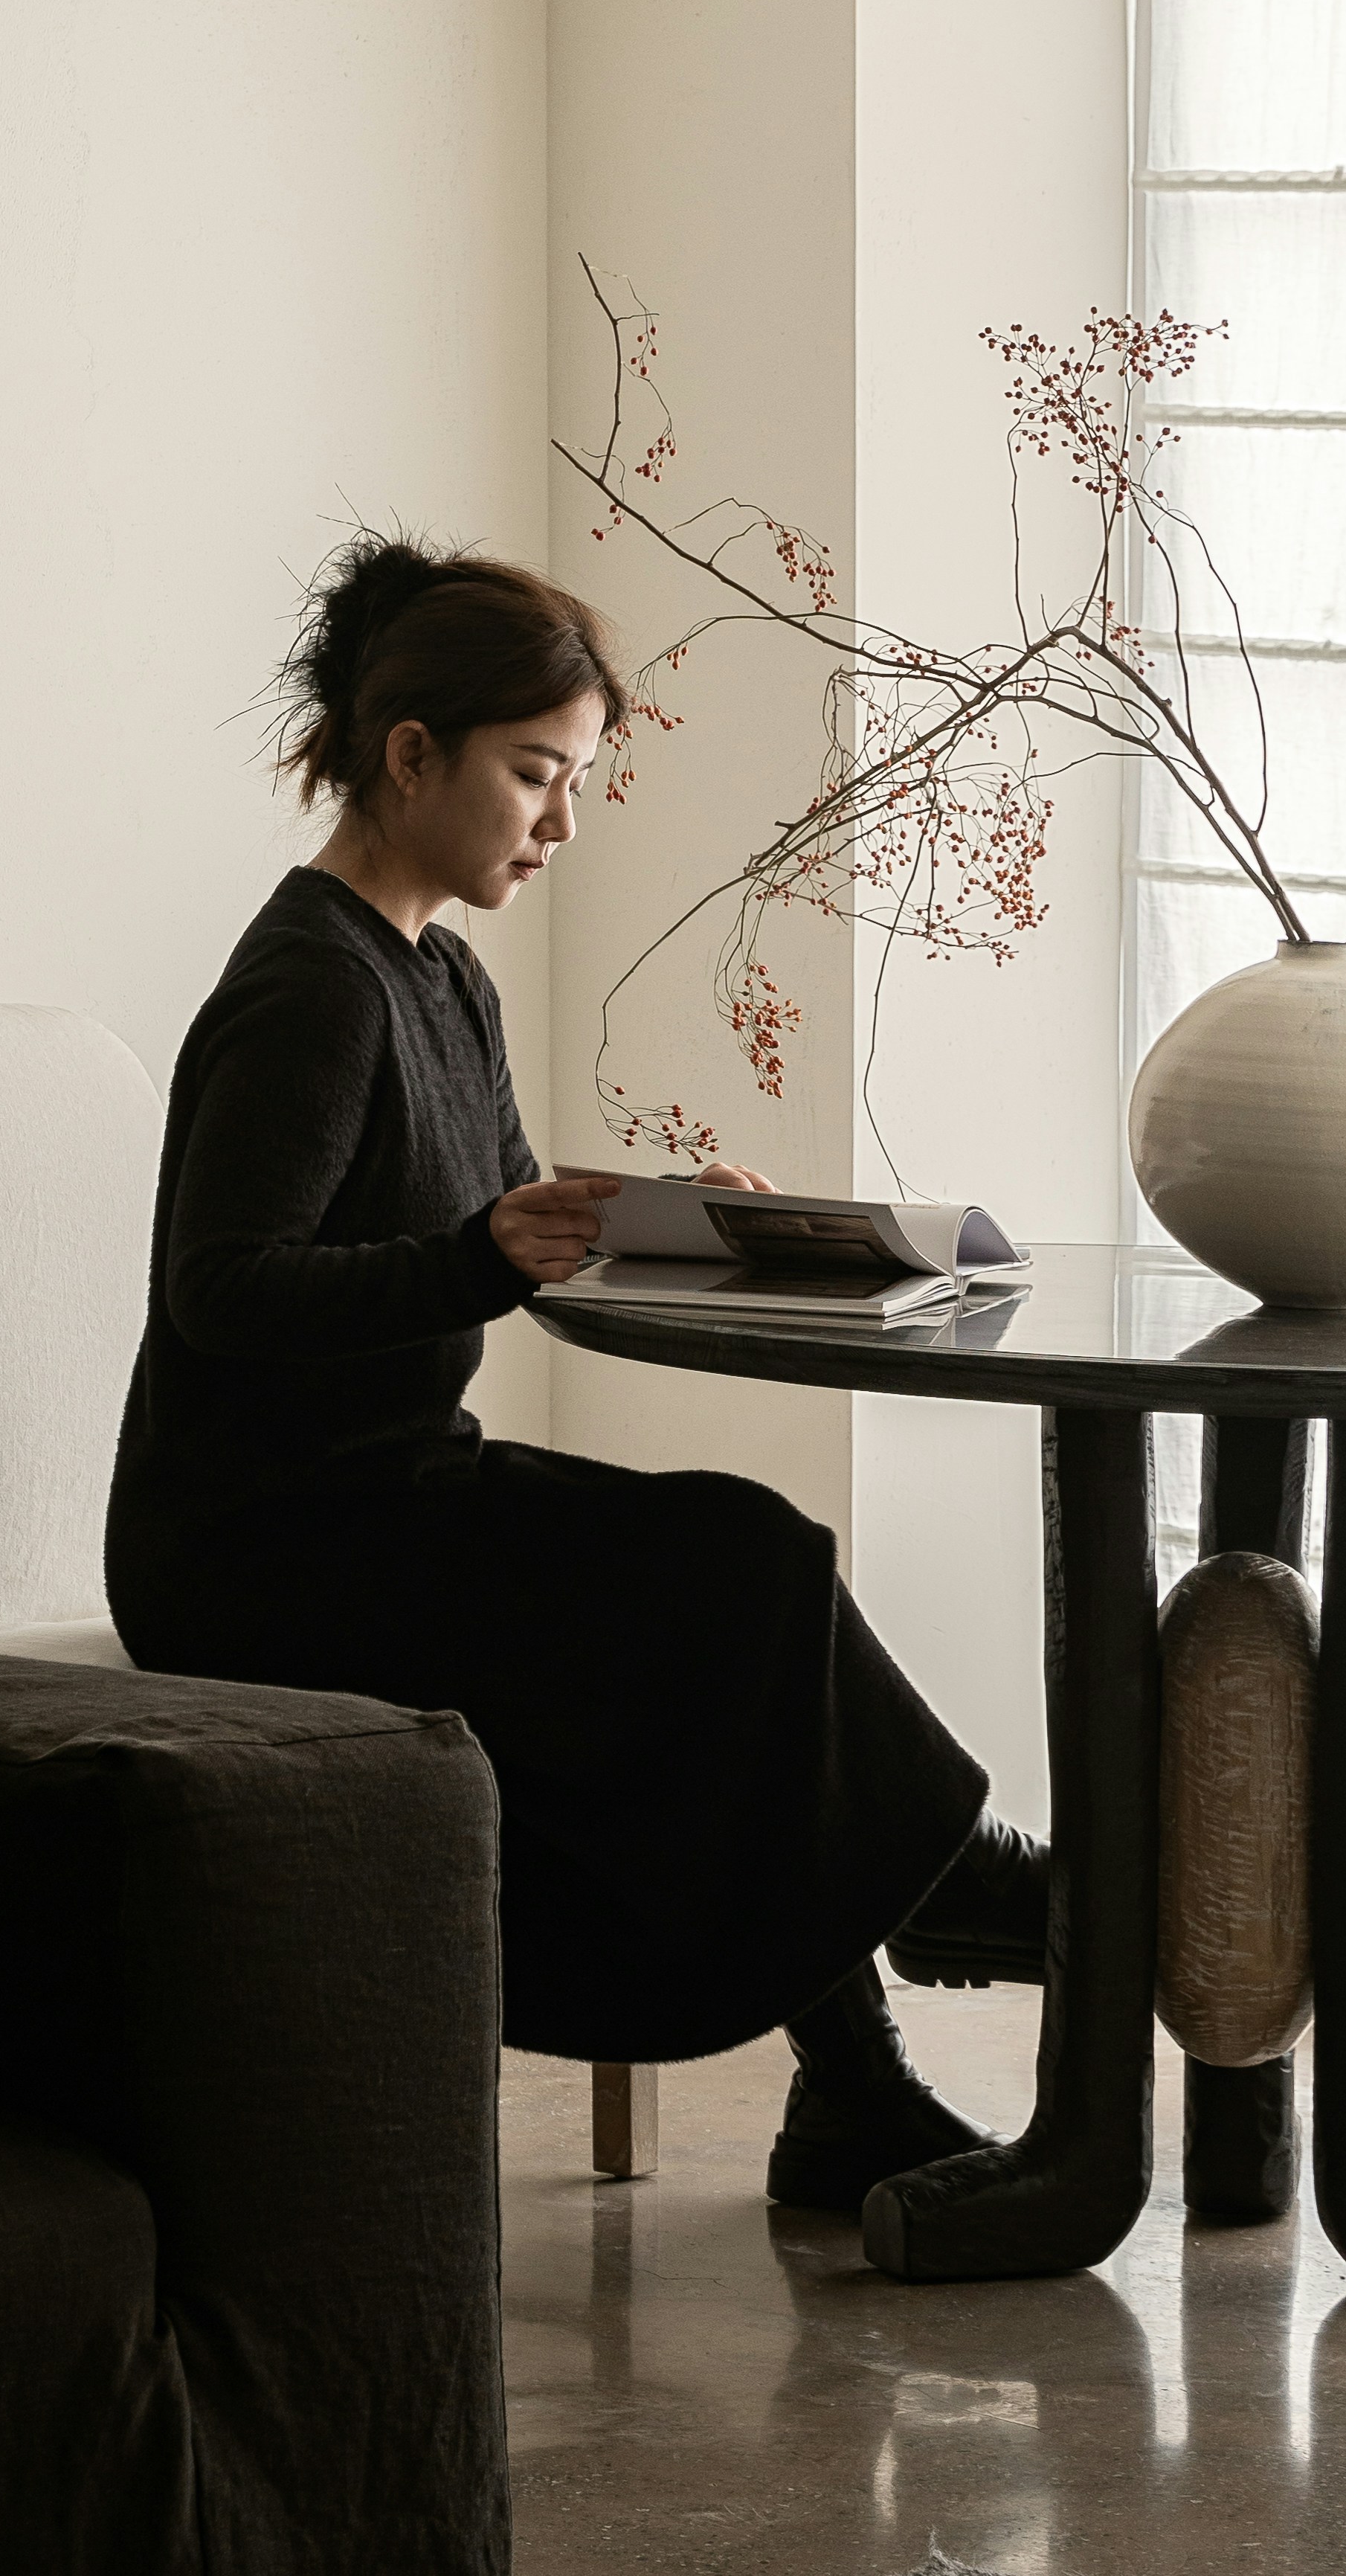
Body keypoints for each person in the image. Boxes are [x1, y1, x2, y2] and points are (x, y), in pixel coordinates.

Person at [106, 533, 1052, 2212]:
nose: (558, 822)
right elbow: (222, 1295)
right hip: (260, 1545)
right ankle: (931, 1905)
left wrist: (692, 1224)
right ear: (413, 757)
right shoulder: (309, 991)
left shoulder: (439, 979)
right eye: (535, 774)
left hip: (388, 1496)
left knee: (745, 1570)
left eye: (575, 780)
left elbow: (508, 1217)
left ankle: (872, 2039)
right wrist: (486, 1255)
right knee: (740, 1575)